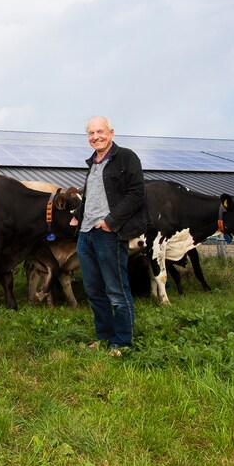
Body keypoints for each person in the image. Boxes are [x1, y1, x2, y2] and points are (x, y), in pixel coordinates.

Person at [73, 116, 146, 356]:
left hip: (108, 233)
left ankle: (122, 342)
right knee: (94, 290)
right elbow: (93, 196)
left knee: (116, 290)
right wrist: (79, 215)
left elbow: (136, 194)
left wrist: (109, 222)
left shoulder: (126, 157)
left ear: (111, 133)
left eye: (100, 132)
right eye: (91, 133)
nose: (96, 137)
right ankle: (104, 337)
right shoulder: (92, 163)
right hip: (86, 234)